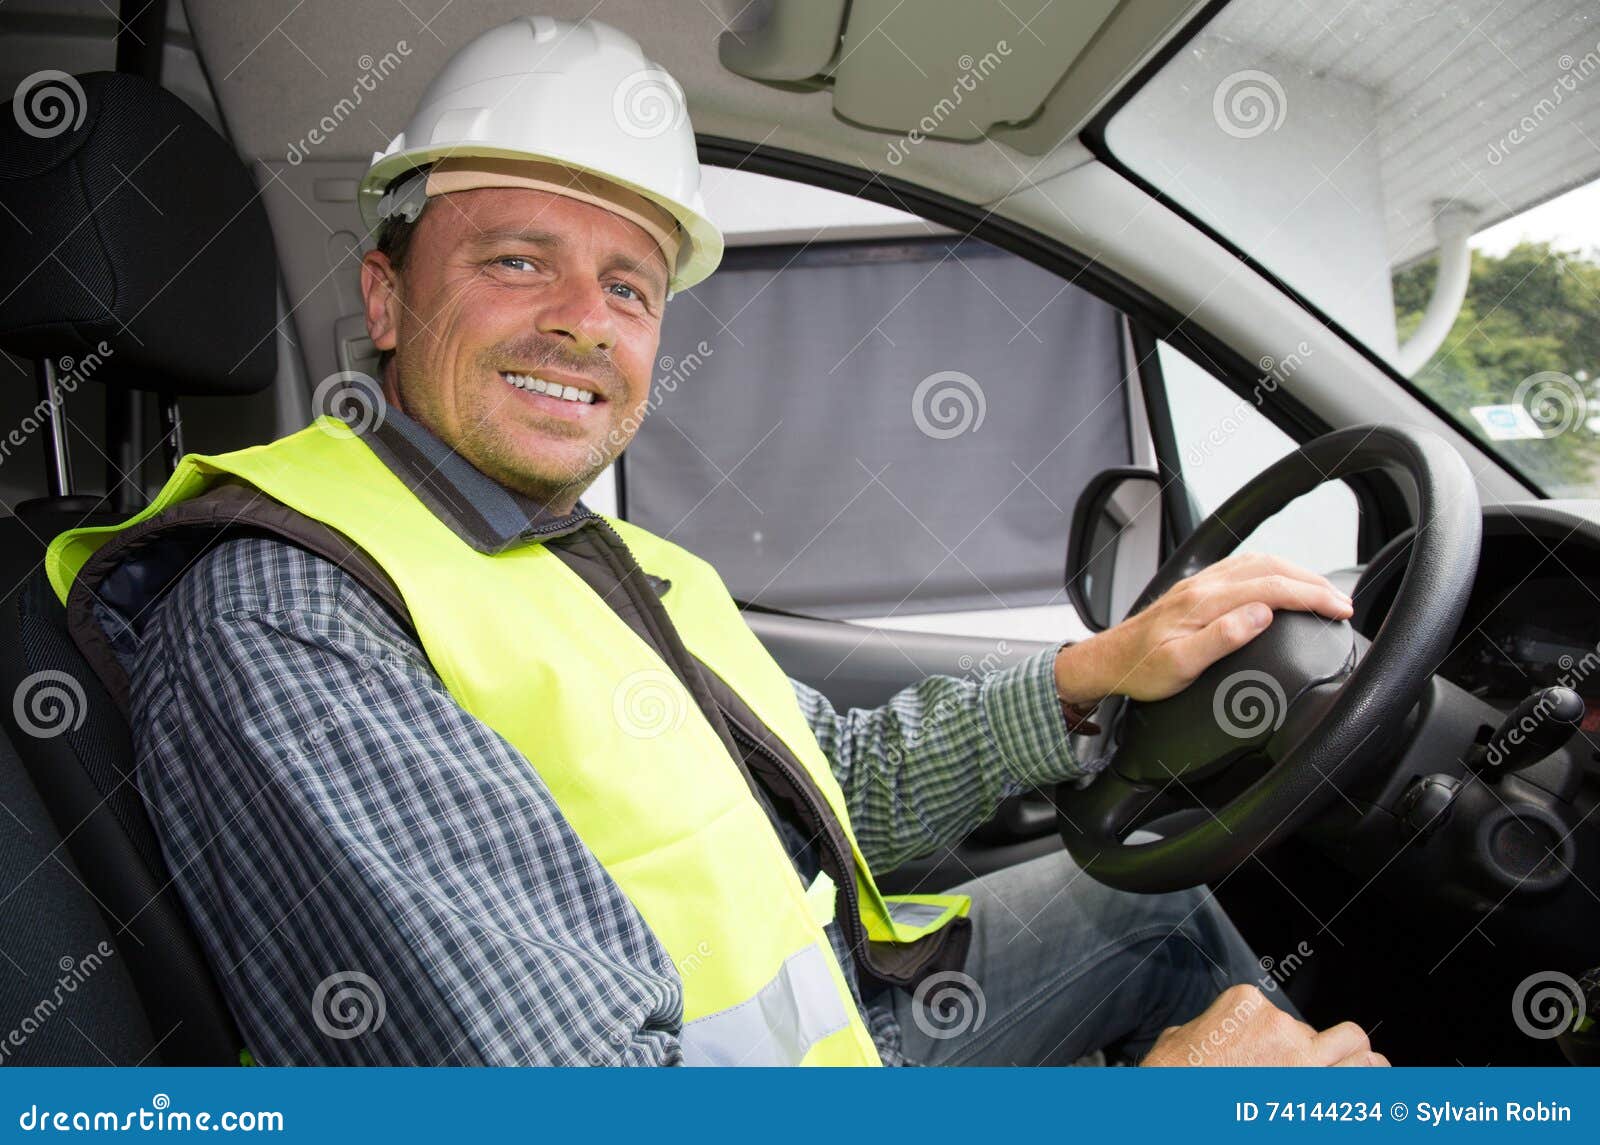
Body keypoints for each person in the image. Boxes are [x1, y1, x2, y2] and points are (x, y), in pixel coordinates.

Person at [52, 16, 1384, 1067]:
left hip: (842, 1035)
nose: (584, 319)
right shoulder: (293, 610)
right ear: (386, 298)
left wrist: (1091, 672)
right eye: (518, 260)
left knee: (1148, 907)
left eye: (627, 284)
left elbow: (824, 783)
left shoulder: (611, 561)